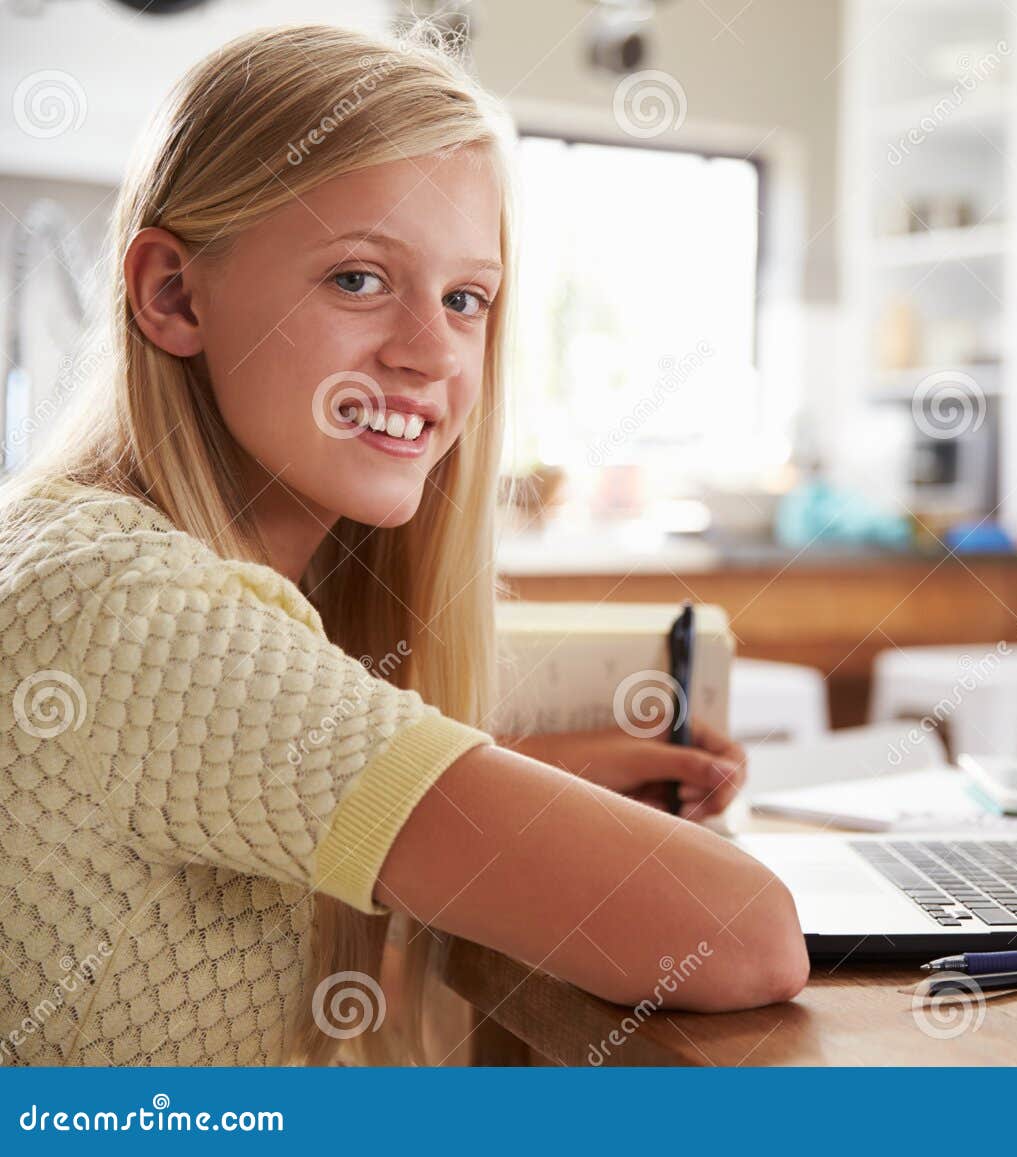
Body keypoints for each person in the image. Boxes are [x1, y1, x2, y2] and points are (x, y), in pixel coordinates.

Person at [0, 22, 807, 1068]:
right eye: (357, 279)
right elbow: (742, 937)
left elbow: (224, 764)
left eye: (466, 297)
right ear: (172, 293)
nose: (429, 353)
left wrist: (512, 780)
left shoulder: (90, 557)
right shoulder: (130, 606)